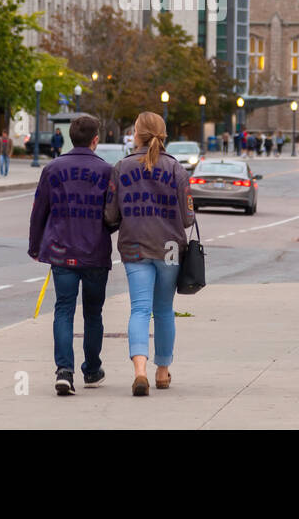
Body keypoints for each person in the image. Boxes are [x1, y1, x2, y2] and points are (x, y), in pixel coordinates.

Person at [104, 111, 194, 396]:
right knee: (164, 309)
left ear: (136, 134)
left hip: (135, 244)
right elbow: (187, 218)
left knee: (140, 309)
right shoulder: (176, 169)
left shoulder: (122, 167)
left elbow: (110, 215)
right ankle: (163, 370)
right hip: (169, 248)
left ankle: (139, 371)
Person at [28, 114, 115, 395]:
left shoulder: (53, 169)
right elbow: (114, 215)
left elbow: (39, 210)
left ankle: (64, 370)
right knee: (93, 313)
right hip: (95, 252)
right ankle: (91, 370)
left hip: (61, 251)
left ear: (70, 137)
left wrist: (34, 245)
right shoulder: (106, 172)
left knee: (63, 310)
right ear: (95, 140)